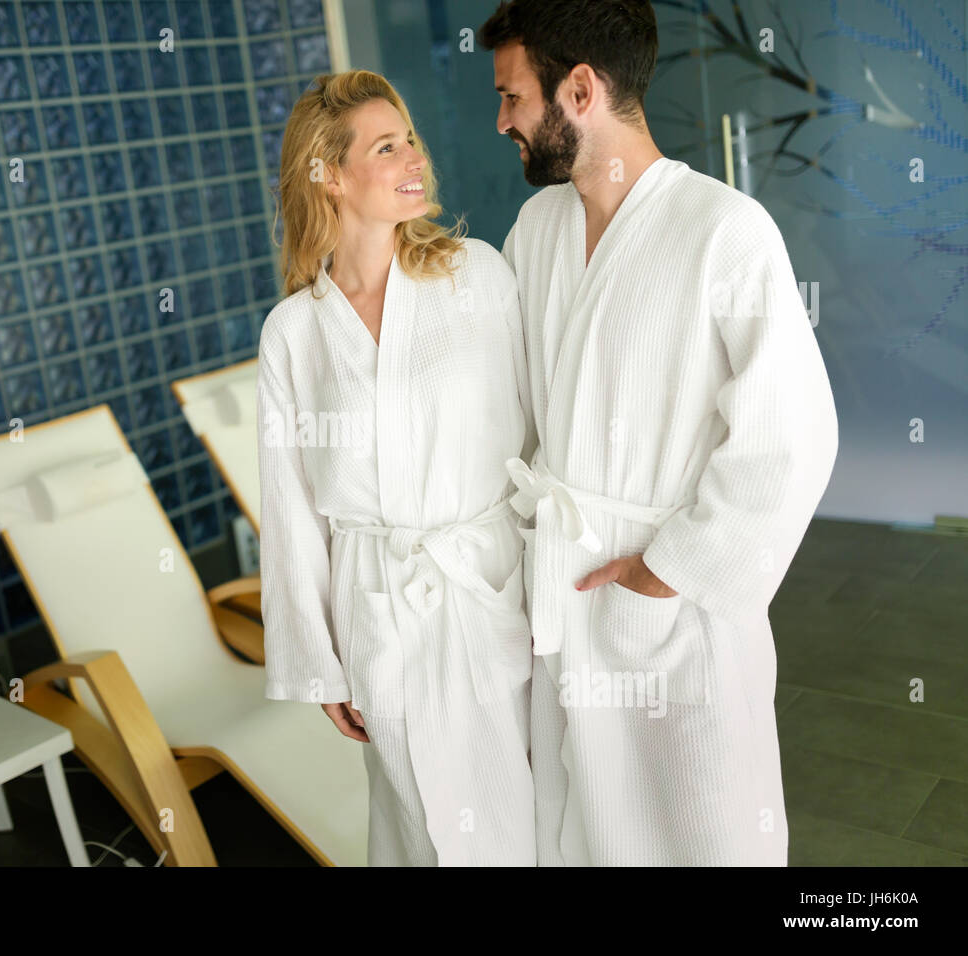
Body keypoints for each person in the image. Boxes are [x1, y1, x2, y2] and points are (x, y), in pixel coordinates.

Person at [480, 0, 838, 865]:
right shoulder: (538, 231)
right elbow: (515, 413)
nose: (501, 122)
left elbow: (792, 439)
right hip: (566, 594)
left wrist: (666, 570)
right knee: (582, 831)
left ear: (578, 89)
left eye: (512, 97)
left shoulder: (725, 232)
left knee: (701, 826)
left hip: (671, 612)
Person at [256, 69, 538, 866]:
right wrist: (318, 663)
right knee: (425, 824)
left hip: (490, 588)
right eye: (387, 147)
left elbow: (539, 429)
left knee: (528, 818)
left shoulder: (476, 274)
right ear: (328, 176)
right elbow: (291, 512)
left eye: (409, 137)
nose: (415, 157)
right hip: (379, 612)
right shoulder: (294, 334)